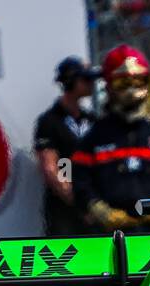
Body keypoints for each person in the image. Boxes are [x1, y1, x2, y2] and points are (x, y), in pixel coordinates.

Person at [72, 45, 150, 234]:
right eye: (122, 84)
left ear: (146, 83)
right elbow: (80, 181)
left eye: (136, 81)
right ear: (108, 86)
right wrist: (99, 209)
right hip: (110, 236)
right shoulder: (95, 136)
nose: (130, 90)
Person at [33, 56, 99, 236]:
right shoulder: (49, 121)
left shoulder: (92, 120)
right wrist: (80, 202)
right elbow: (49, 167)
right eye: (85, 79)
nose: (91, 83)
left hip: (94, 204)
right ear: (70, 81)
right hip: (64, 210)